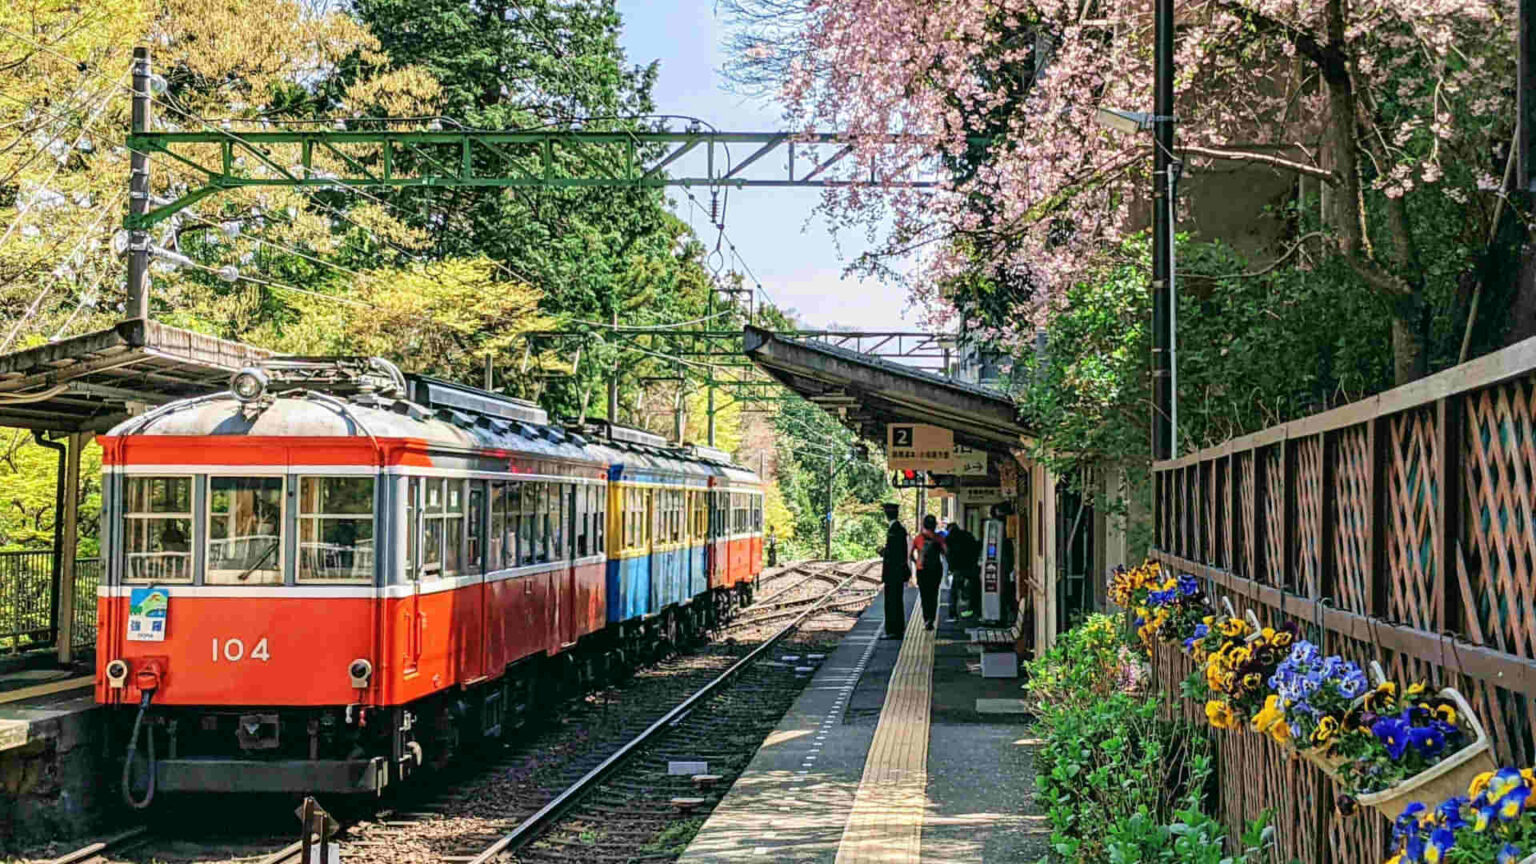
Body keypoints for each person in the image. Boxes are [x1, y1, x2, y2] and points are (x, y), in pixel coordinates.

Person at [909, 514, 946, 630]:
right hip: (936, 570)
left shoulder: (918, 538)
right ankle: (931, 619)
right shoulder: (939, 538)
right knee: (934, 594)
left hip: (922, 570)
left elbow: (910, 555)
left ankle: (926, 619)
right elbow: (946, 552)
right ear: (934, 525)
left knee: (925, 596)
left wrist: (917, 562)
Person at [878, 503, 909, 639]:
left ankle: (893, 631)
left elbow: (894, 553)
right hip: (897, 573)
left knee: (892, 602)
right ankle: (897, 629)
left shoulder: (895, 530)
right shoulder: (898, 529)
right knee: (896, 601)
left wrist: (882, 551)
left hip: (893, 573)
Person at [944, 521, 980, 620]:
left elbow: (948, 554)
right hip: (971, 567)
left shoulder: (949, 539)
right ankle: (974, 610)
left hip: (958, 568)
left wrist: (951, 568)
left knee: (954, 592)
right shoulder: (968, 535)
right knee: (975, 589)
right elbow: (976, 548)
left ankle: (953, 614)